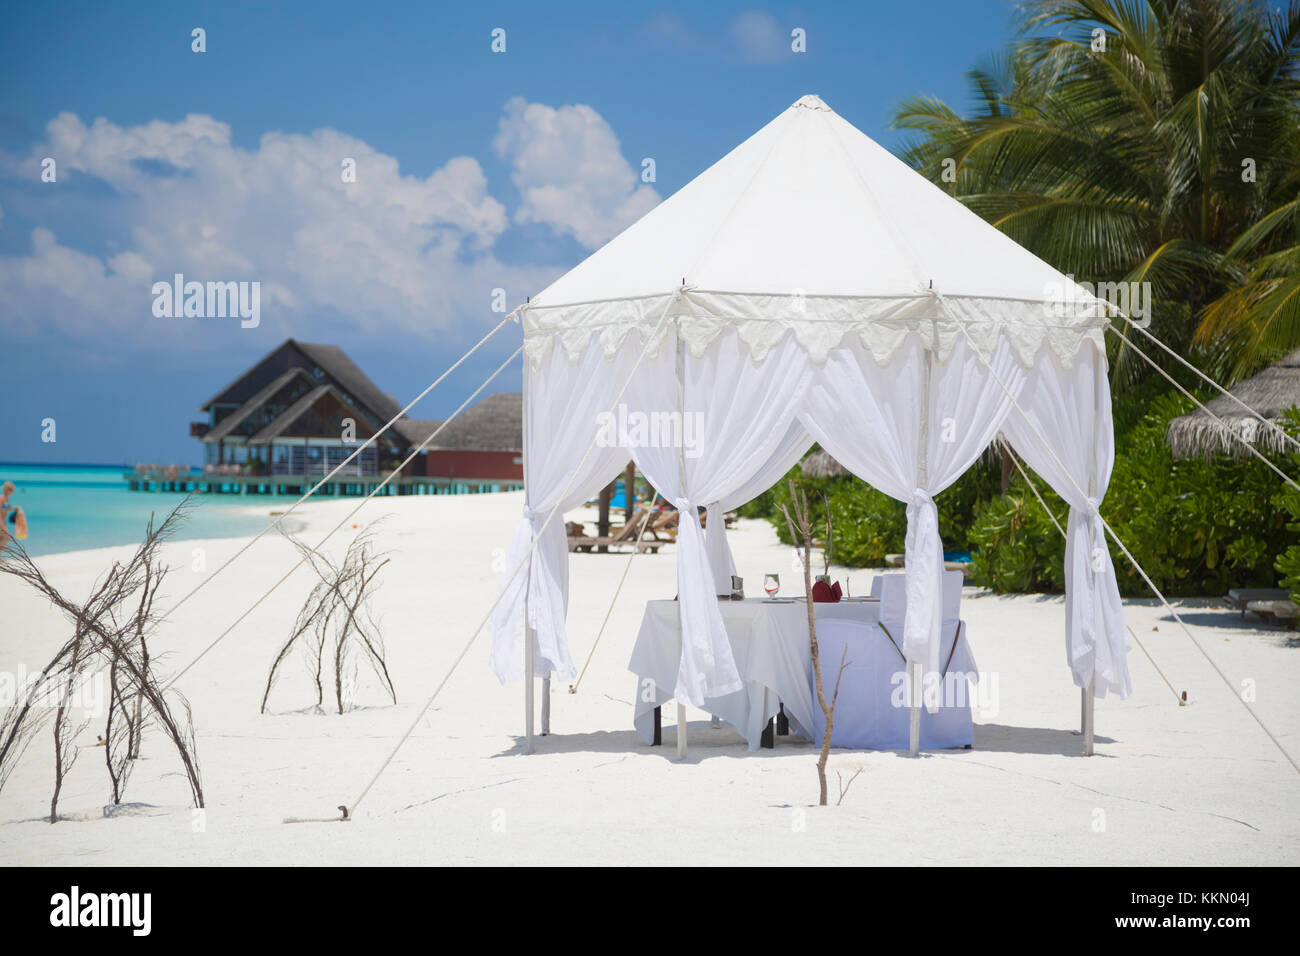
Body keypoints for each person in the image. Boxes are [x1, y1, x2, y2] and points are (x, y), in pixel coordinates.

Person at [0, 480, 25, 551]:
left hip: (2, 519)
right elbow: (3, 509)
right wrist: (15, 508)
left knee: (3, 537)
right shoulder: (3, 498)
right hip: (1, 520)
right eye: (12, 490)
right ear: (8, 490)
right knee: (6, 537)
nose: (12, 492)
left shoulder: (4, 497)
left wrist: (15, 508)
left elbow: (5, 508)